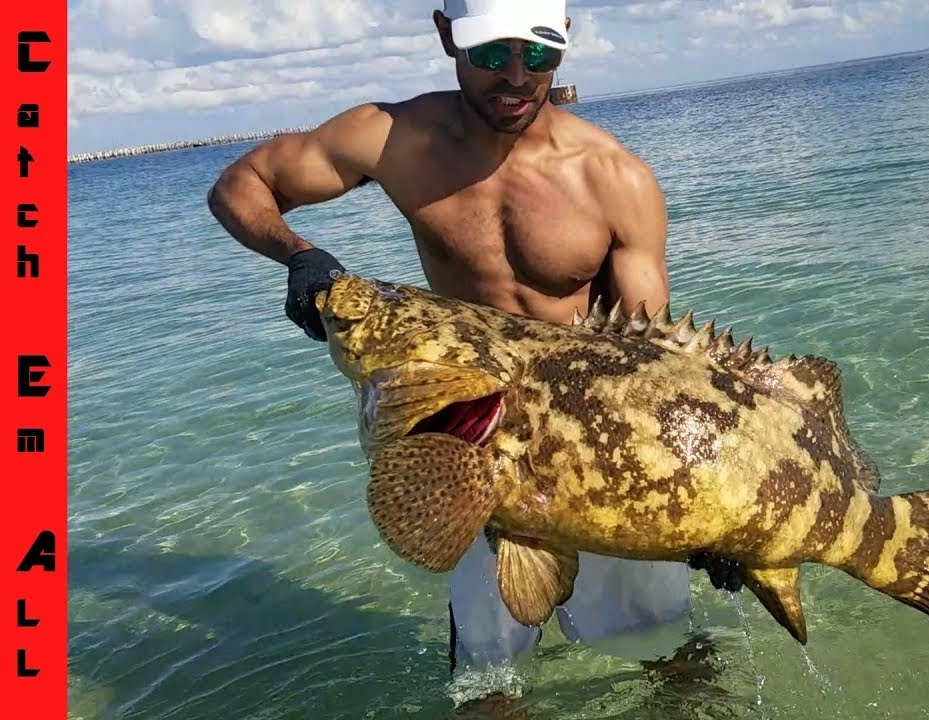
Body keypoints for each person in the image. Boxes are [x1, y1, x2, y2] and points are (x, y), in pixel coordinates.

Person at [207, 0, 745, 711]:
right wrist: (303, 258)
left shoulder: (616, 180)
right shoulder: (398, 139)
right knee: (488, 684)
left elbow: (651, 365)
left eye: (539, 55)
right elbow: (241, 187)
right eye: (492, 56)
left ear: (565, 46)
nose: (517, 77)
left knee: (668, 658)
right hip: (470, 445)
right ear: (445, 37)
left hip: (598, 449)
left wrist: (714, 507)